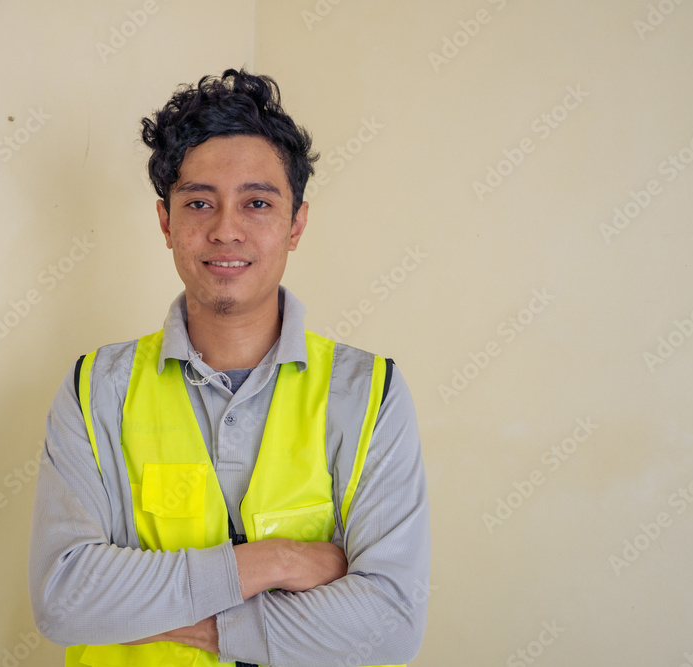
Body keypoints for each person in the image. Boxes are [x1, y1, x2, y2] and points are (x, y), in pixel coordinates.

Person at [28, 67, 430, 667]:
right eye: (199, 203)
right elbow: (63, 599)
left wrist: (172, 612)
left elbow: (391, 624)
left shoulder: (369, 394)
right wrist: (278, 563)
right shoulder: (96, 390)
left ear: (295, 225)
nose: (226, 229)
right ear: (166, 222)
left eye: (258, 203)